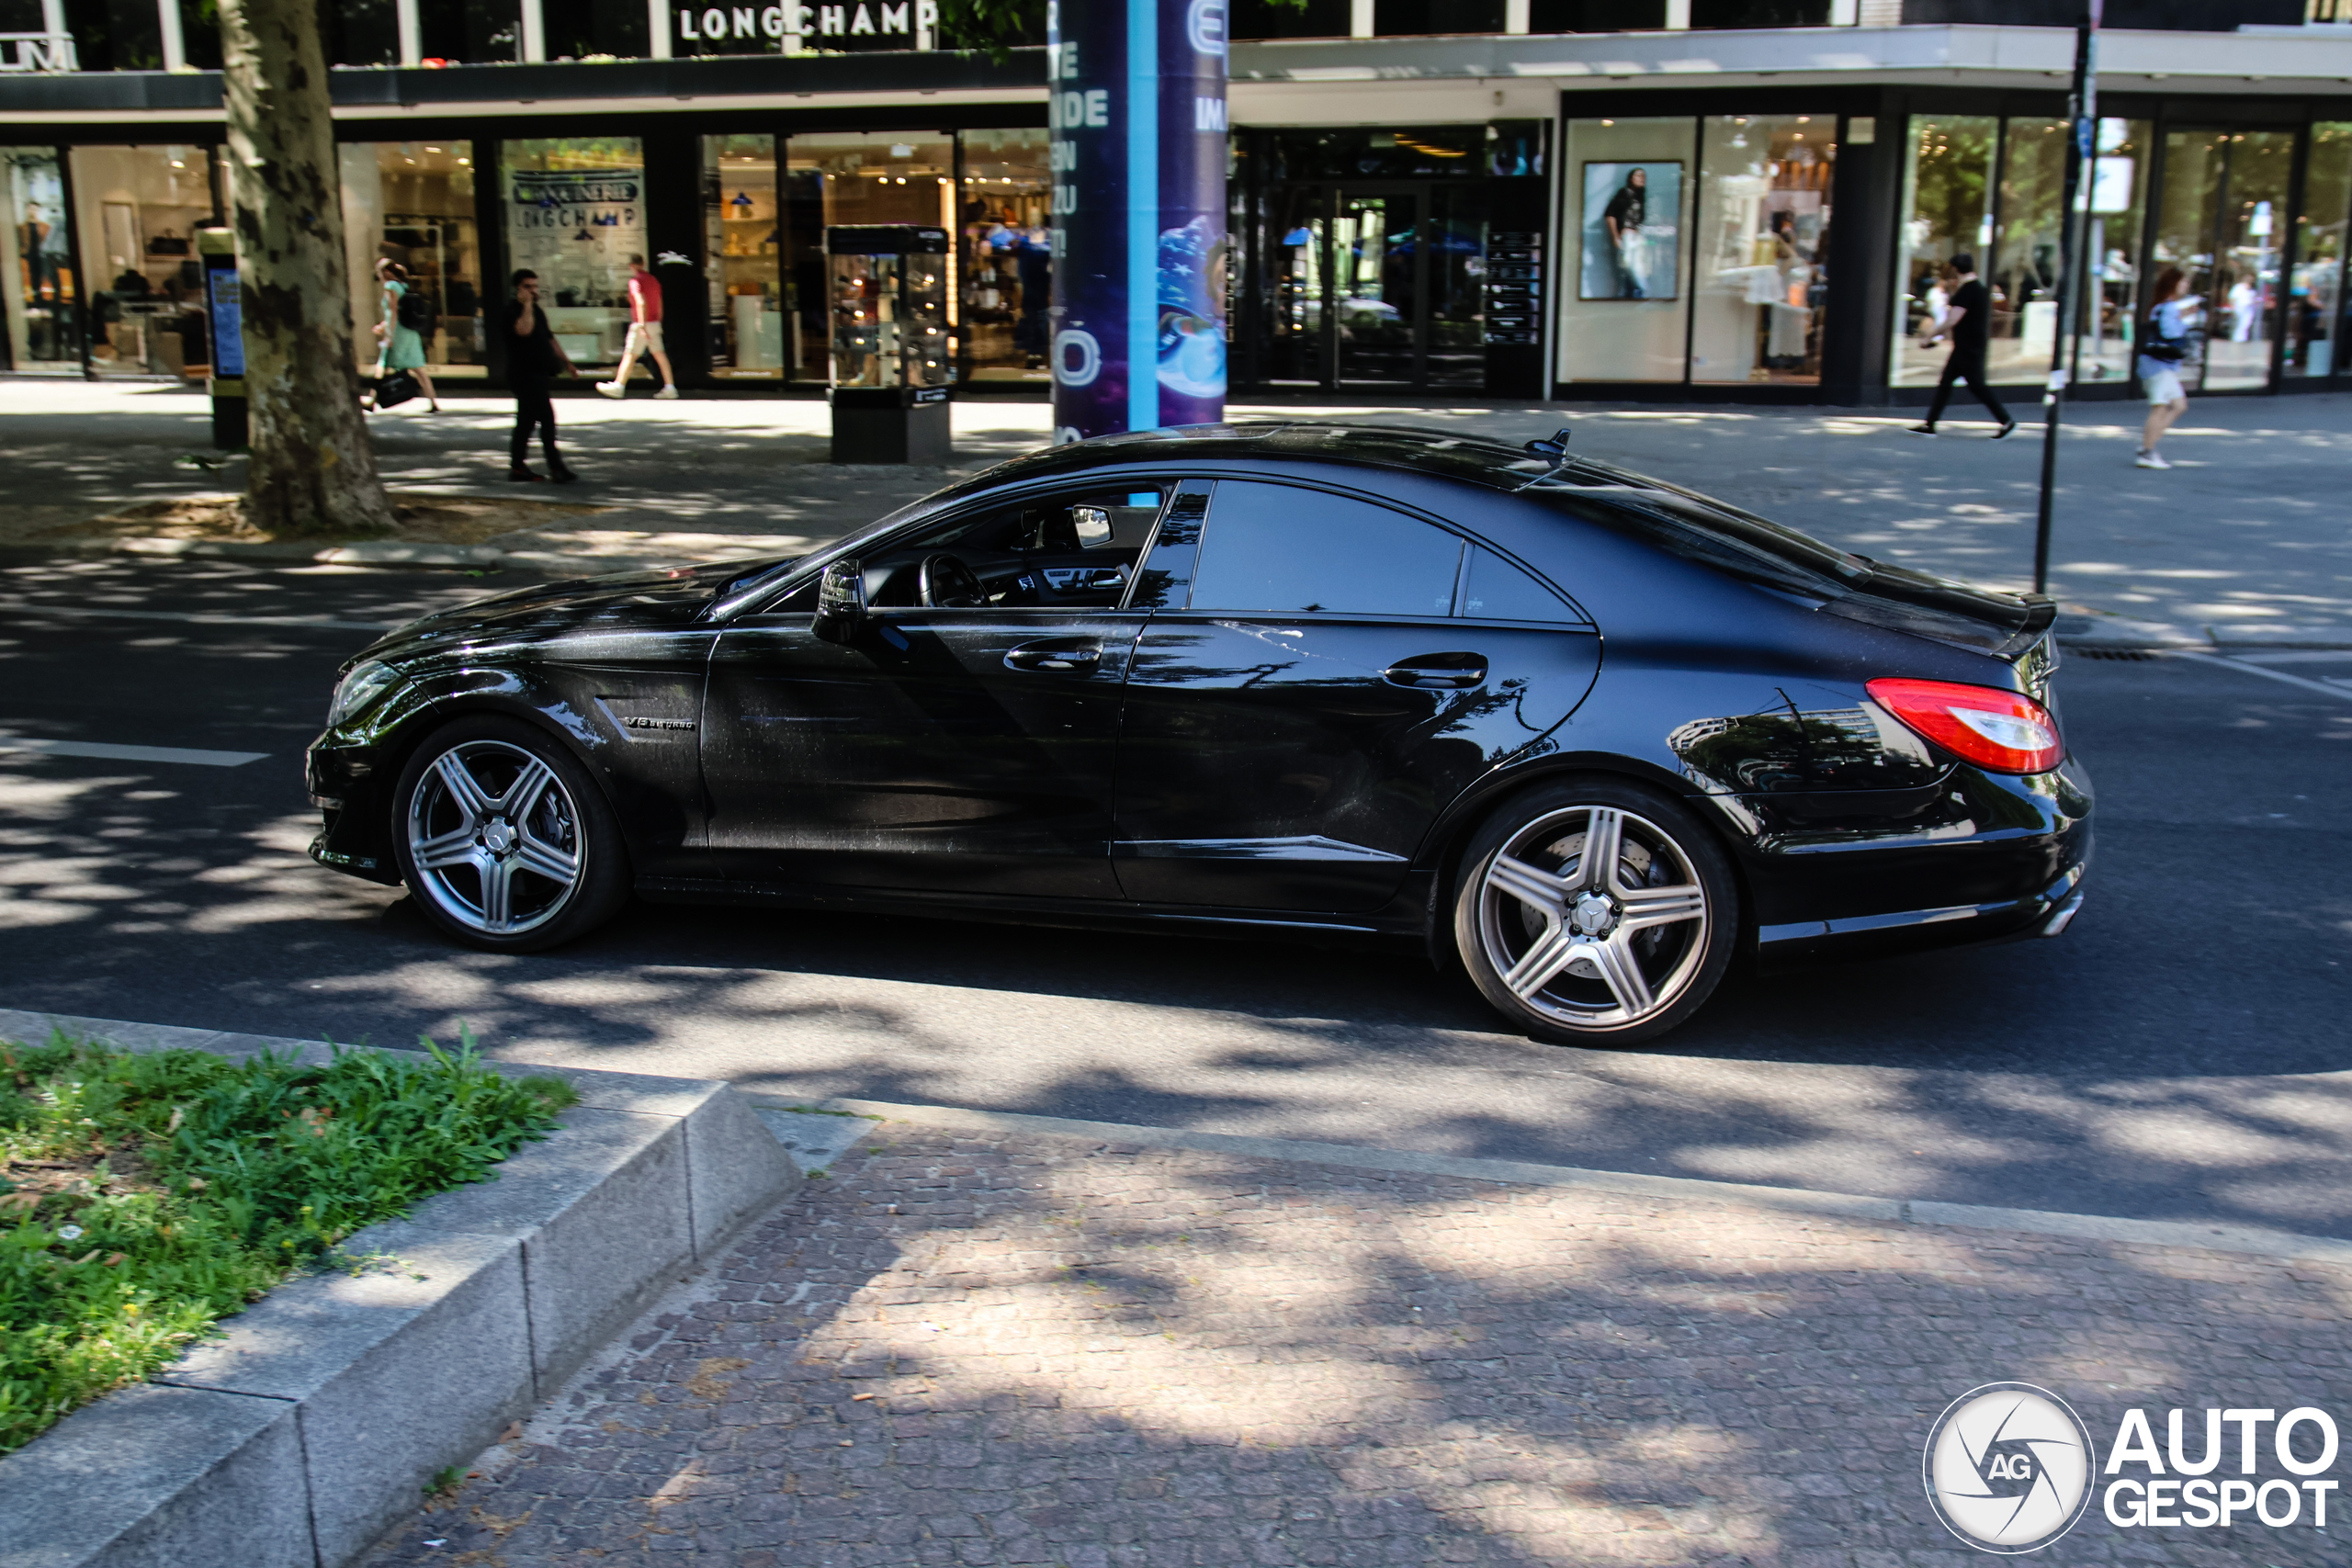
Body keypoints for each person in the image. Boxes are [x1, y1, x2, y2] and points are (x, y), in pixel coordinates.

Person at [1908, 254, 2016, 439]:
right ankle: (1930, 424)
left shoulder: (1967, 291)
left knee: (1977, 386)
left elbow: (1952, 319)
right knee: (1946, 383)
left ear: (1956, 270)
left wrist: (1929, 336)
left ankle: (2006, 421)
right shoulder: (1980, 289)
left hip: (1968, 348)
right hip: (1969, 346)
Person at [502, 269, 578, 483]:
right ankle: (556, 467)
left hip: (539, 372)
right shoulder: (512, 311)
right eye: (528, 287)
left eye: (535, 287)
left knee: (525, 422)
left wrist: (567, 362)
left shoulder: (537, 311)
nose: (533, 291)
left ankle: (517, 467)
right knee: (547, 419)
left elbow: (550, 339)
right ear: (517, 288)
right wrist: (526, 305)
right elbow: (523, 331)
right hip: (523, 374)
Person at [596, 254, 678, 400]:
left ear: (631, 266)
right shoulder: (653, 280)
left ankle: (618, 386)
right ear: (643, 263)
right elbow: (659, 303)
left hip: (641, 323)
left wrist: (641, 325)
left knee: (630, 355)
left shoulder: (635, 281)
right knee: (660, 355)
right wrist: (657, 321)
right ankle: (670, 387)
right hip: (654, 323)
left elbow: (640, 302)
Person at [365, 258, 441, 413]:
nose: (378, 276)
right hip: (409, 332)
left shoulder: (390, 286)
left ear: (386, 272)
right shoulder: (403, 285)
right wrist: (383, 325)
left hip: (398, 332)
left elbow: (393, 311)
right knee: (417, 368)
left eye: (379, 272)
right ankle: (432, 401)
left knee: (383, 366)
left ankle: (371, 401)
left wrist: (389, 334)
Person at [2135, 265, 2192, 471]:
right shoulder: (2169, 308)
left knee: (2178, 405)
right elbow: (2170, 334)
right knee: (2160, 408)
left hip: (2158, 364)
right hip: (2159, 366)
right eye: (2183, 281)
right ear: (2173, 284)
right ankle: (2147, 451)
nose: (2186, 285)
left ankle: (2148, 445)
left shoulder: (2161, 306)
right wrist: (2183, 322)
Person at [1603, 168, 1647, 299]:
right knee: (1630, 265)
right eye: (1638, 175)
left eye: (1643, 176)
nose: (1641, 178)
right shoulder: (1623, 195)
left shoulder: (1639, 198)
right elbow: (1610, 215)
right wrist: (1615, 236)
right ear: (1630, 178)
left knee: (1635, 267)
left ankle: (1633, 293)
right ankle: (1642, 291)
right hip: (1627, 235)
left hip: (1636, 237)